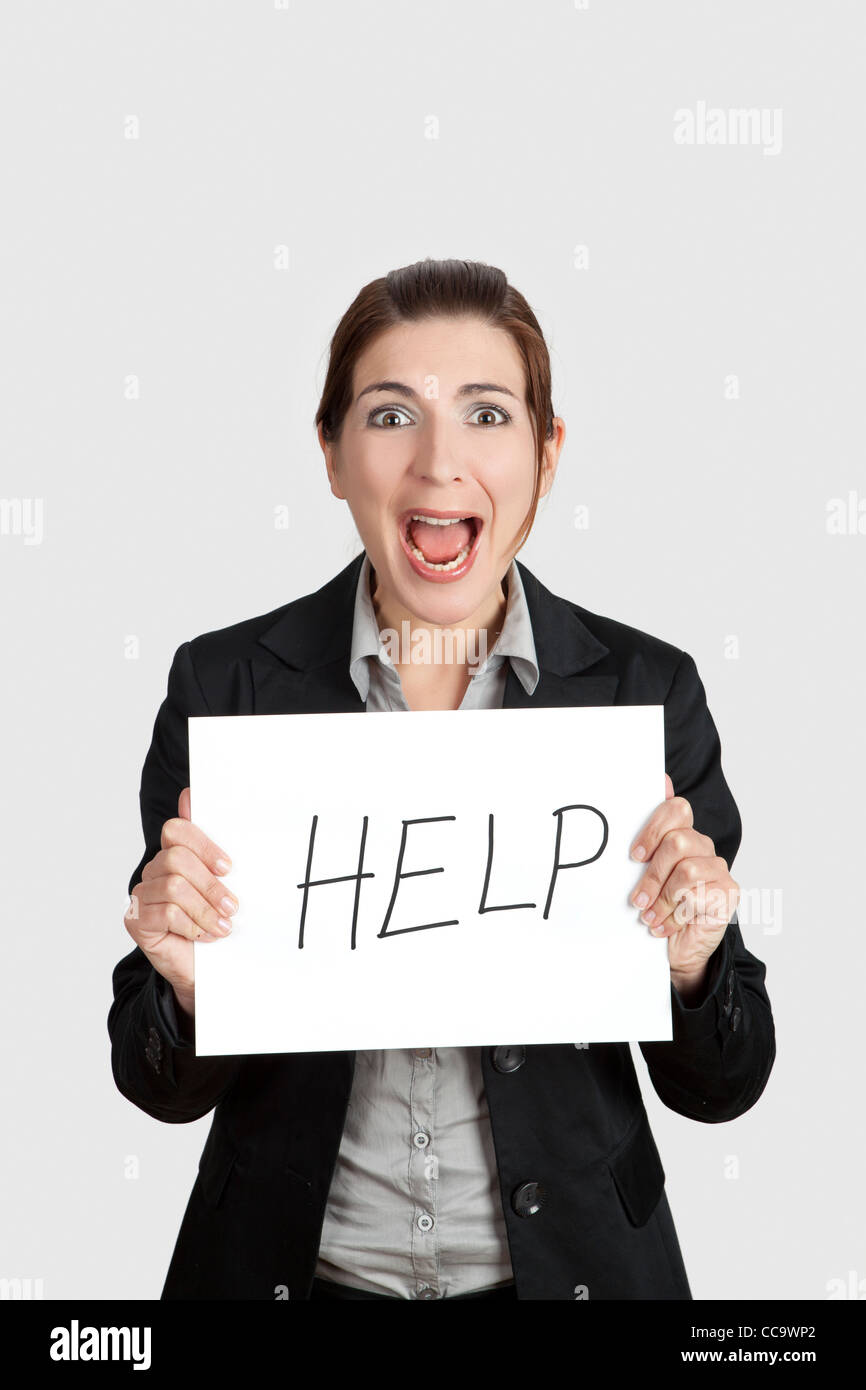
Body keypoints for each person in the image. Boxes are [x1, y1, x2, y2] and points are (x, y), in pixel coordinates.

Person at [108, 258, 776, 1301]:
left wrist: (692, 967)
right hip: (294, 1276)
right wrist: (185, 983)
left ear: (547, 454)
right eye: (388, 415)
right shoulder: (226, 685)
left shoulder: (640, 692)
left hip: (573, 1279)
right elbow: (154, 1085)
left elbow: (724, 1085)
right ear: (330, 453)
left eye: (484, 413)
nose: (438, 461)